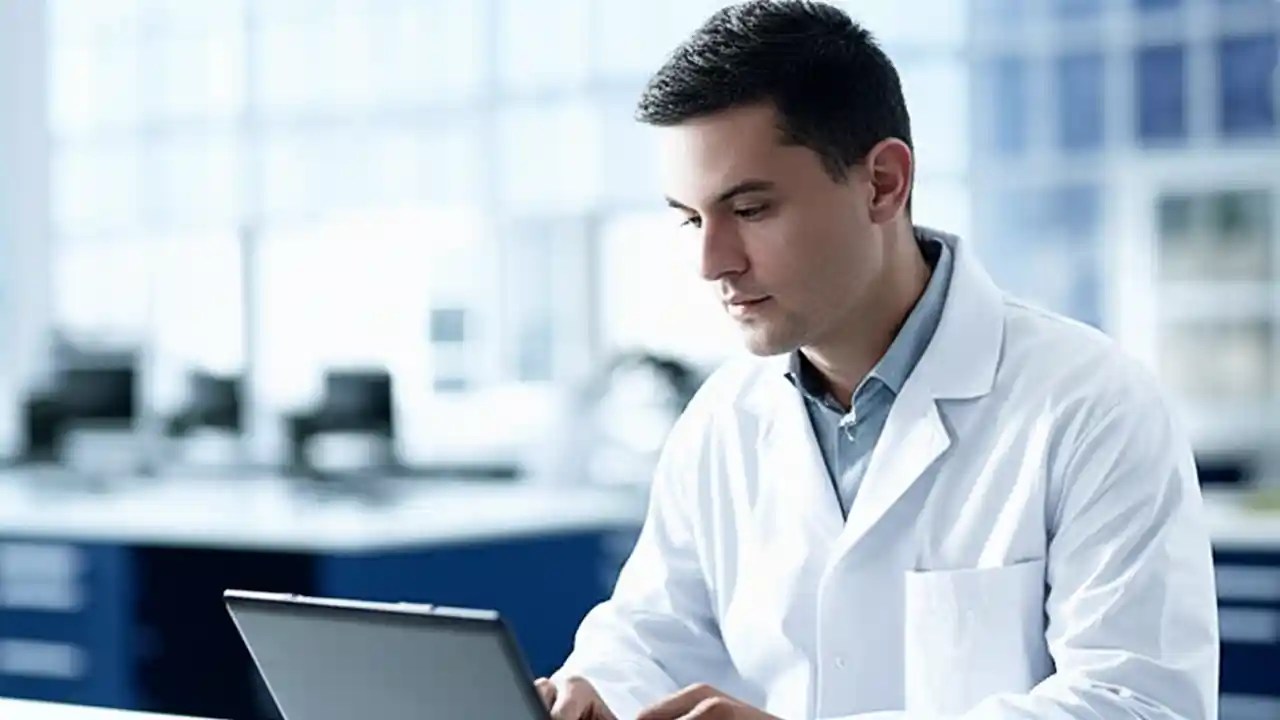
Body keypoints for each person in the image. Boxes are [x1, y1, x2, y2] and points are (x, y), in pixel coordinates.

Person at [535, 2, 1219, 718]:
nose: (712, 262)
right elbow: (651, 634)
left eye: (751, 209)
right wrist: (597, 689)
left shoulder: (1090, 404)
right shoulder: (722, 420)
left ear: (883, 183)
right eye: (690, 217)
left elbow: (1138, 703)